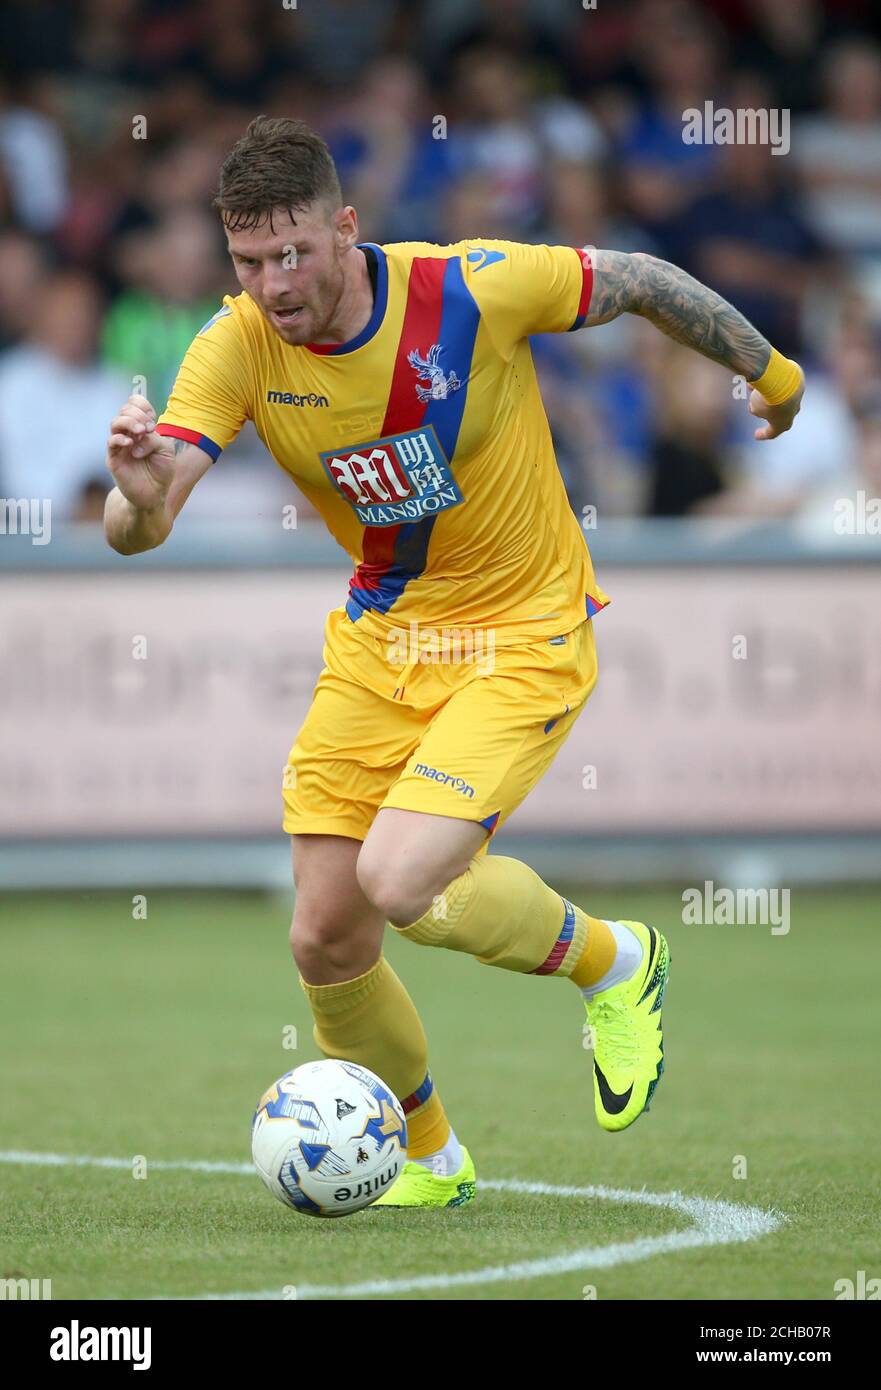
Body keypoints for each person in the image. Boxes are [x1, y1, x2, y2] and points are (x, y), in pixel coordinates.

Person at [103, 117, 804, 1209]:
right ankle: (431, 1157)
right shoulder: (234, 345)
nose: (273, 283)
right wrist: (138, 497)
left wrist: (770, 372)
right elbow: (141, 521)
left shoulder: (470, 289)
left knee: (398, 883)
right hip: (383, 637)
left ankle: (616, 961)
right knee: (326, 934)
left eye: (292, 253)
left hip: (522, 632)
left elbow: (640, 279)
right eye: (248, 262)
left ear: (345, 228)